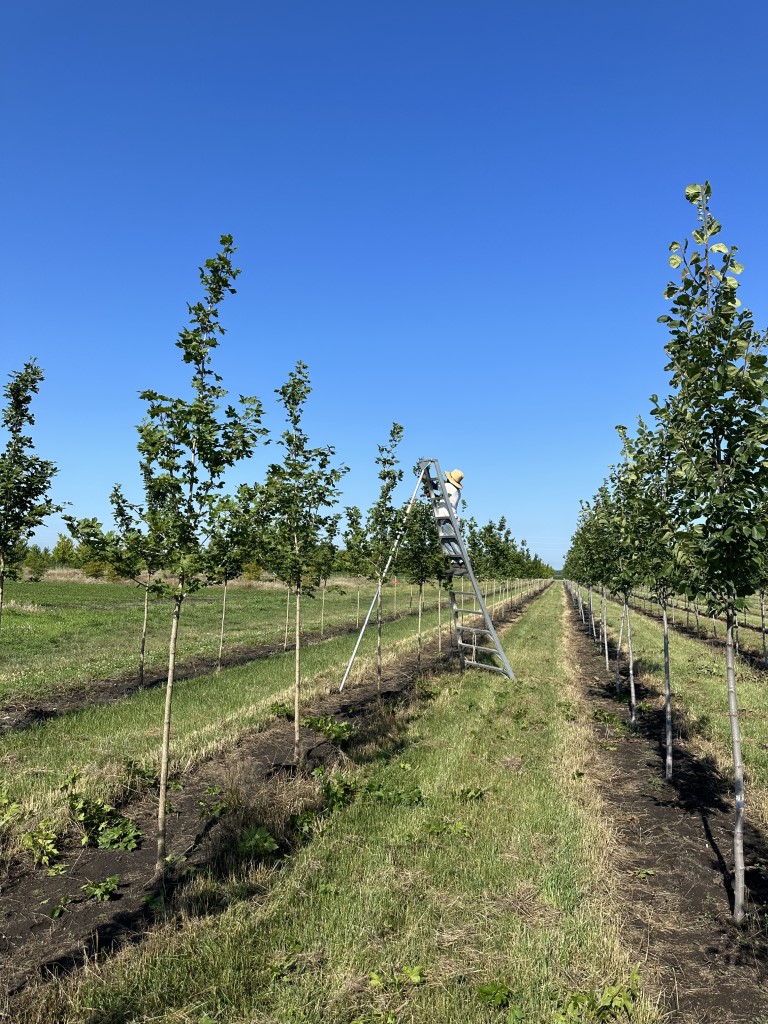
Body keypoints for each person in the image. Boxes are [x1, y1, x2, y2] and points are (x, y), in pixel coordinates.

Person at [435, 468, 466, 566]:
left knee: (452, 539)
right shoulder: (454, 490)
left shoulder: (448, 486)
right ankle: (455, 560)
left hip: (448, 517)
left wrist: (424, 479)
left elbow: (435, 486)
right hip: (446, 516)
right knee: (446, 539)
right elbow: (444, 498)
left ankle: (462, 559)